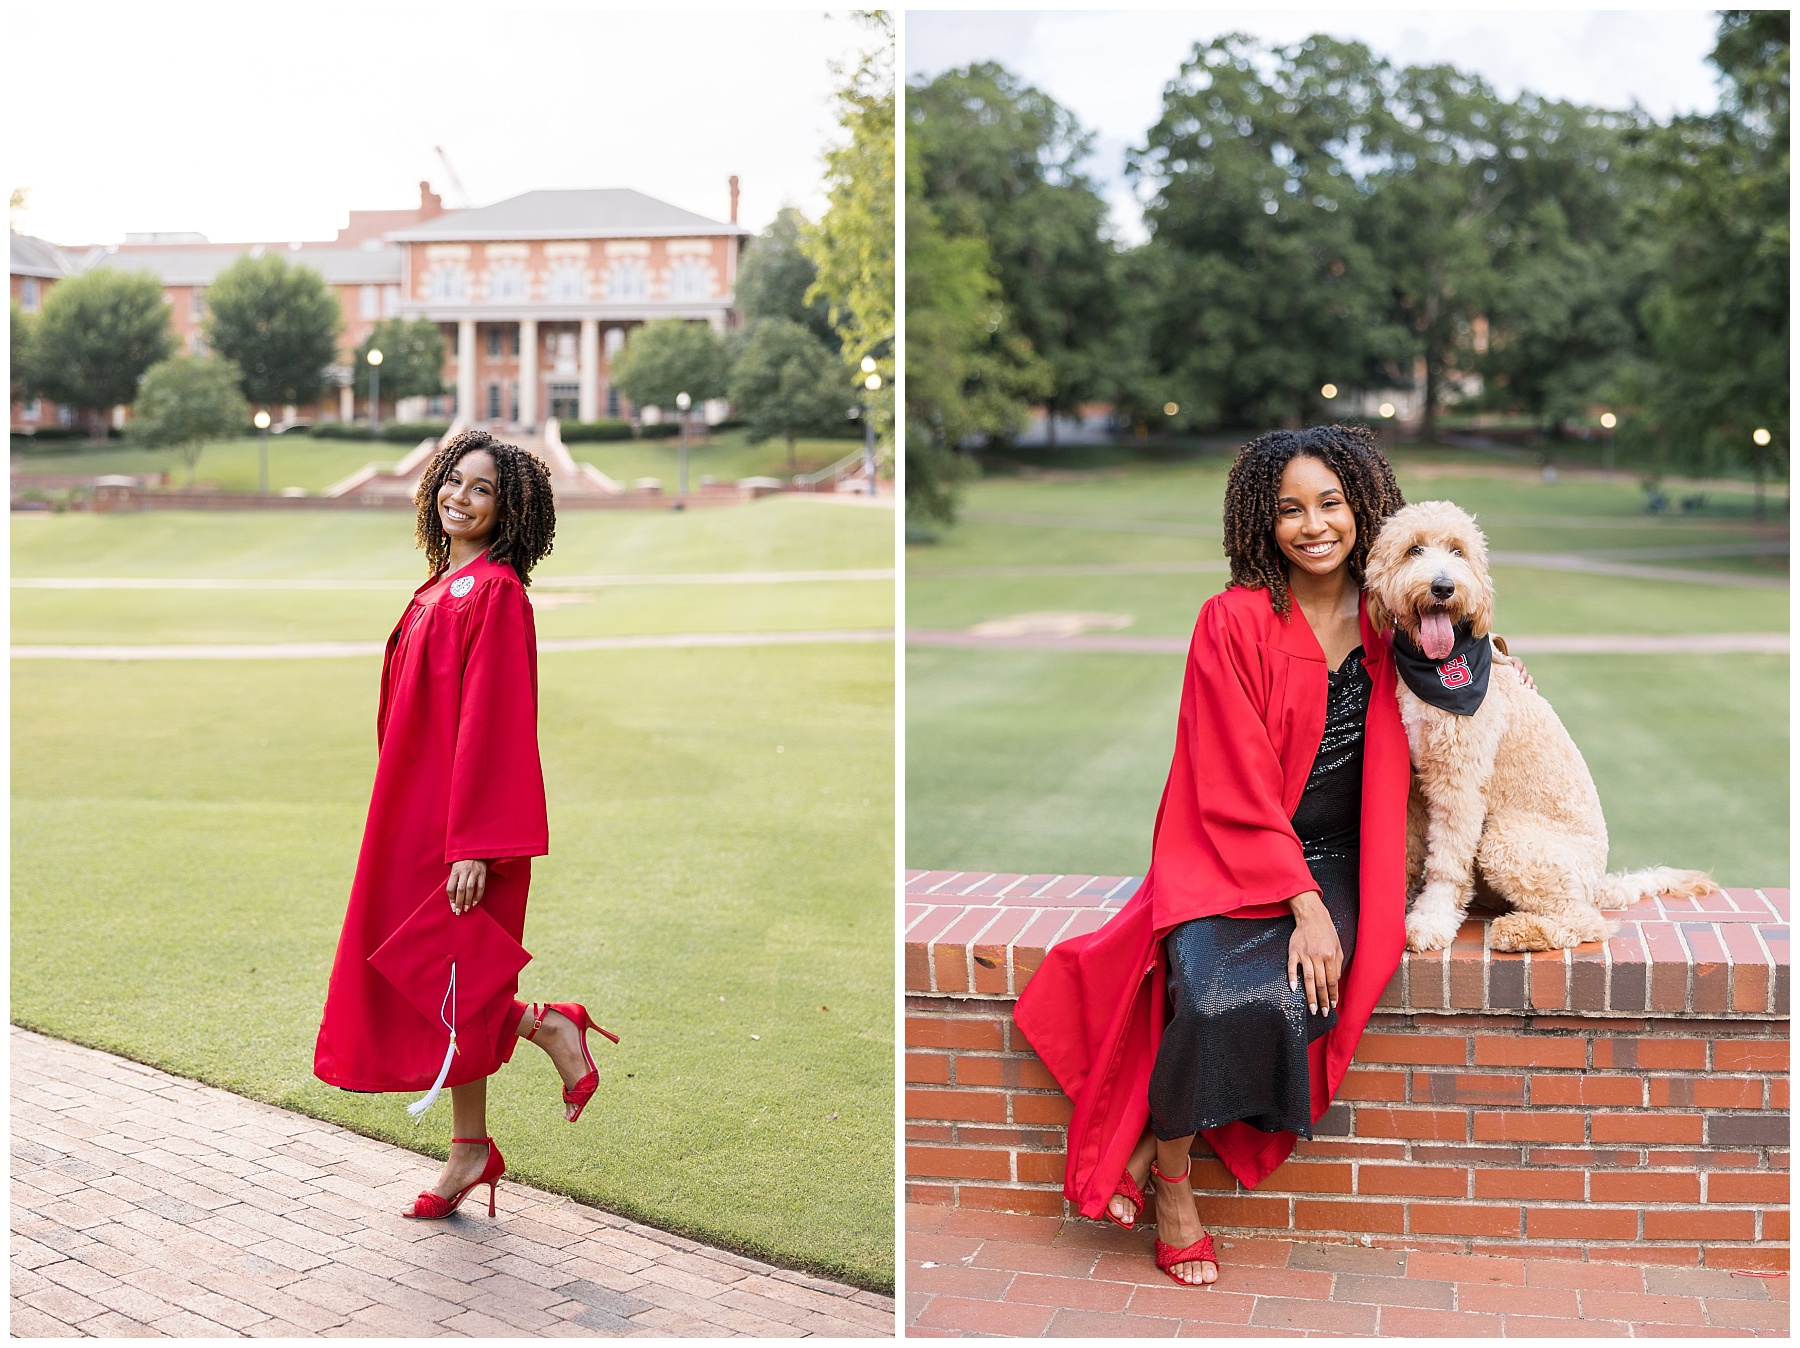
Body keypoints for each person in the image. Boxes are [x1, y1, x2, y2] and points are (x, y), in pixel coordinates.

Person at [1017, 424, 1473, 1289]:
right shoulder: (1231, 621)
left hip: (1345, 856)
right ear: (1263, 522)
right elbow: (1228, 779)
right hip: (1227, 846)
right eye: (1290, 509)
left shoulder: (1394, 618)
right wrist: (1302, 905)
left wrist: (1505, 676)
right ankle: (1177, 1187)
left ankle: (1153, 1150)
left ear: (1364, 507)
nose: (1314, 526)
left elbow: (1468, 673)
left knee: (1291, 994)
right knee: (1210, 991)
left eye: (1331, 504)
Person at [313, 428, 615, 1220]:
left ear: (507, 509)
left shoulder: (495, 593)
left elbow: (497, 722)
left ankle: (525, 1060)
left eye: (482, 489)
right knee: (439, 975)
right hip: (411, 814)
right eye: (453, 479)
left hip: (459, 827)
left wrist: (475, 844)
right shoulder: (438, 590)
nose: (460, 496)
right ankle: (491, 1114)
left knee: (446, 972)